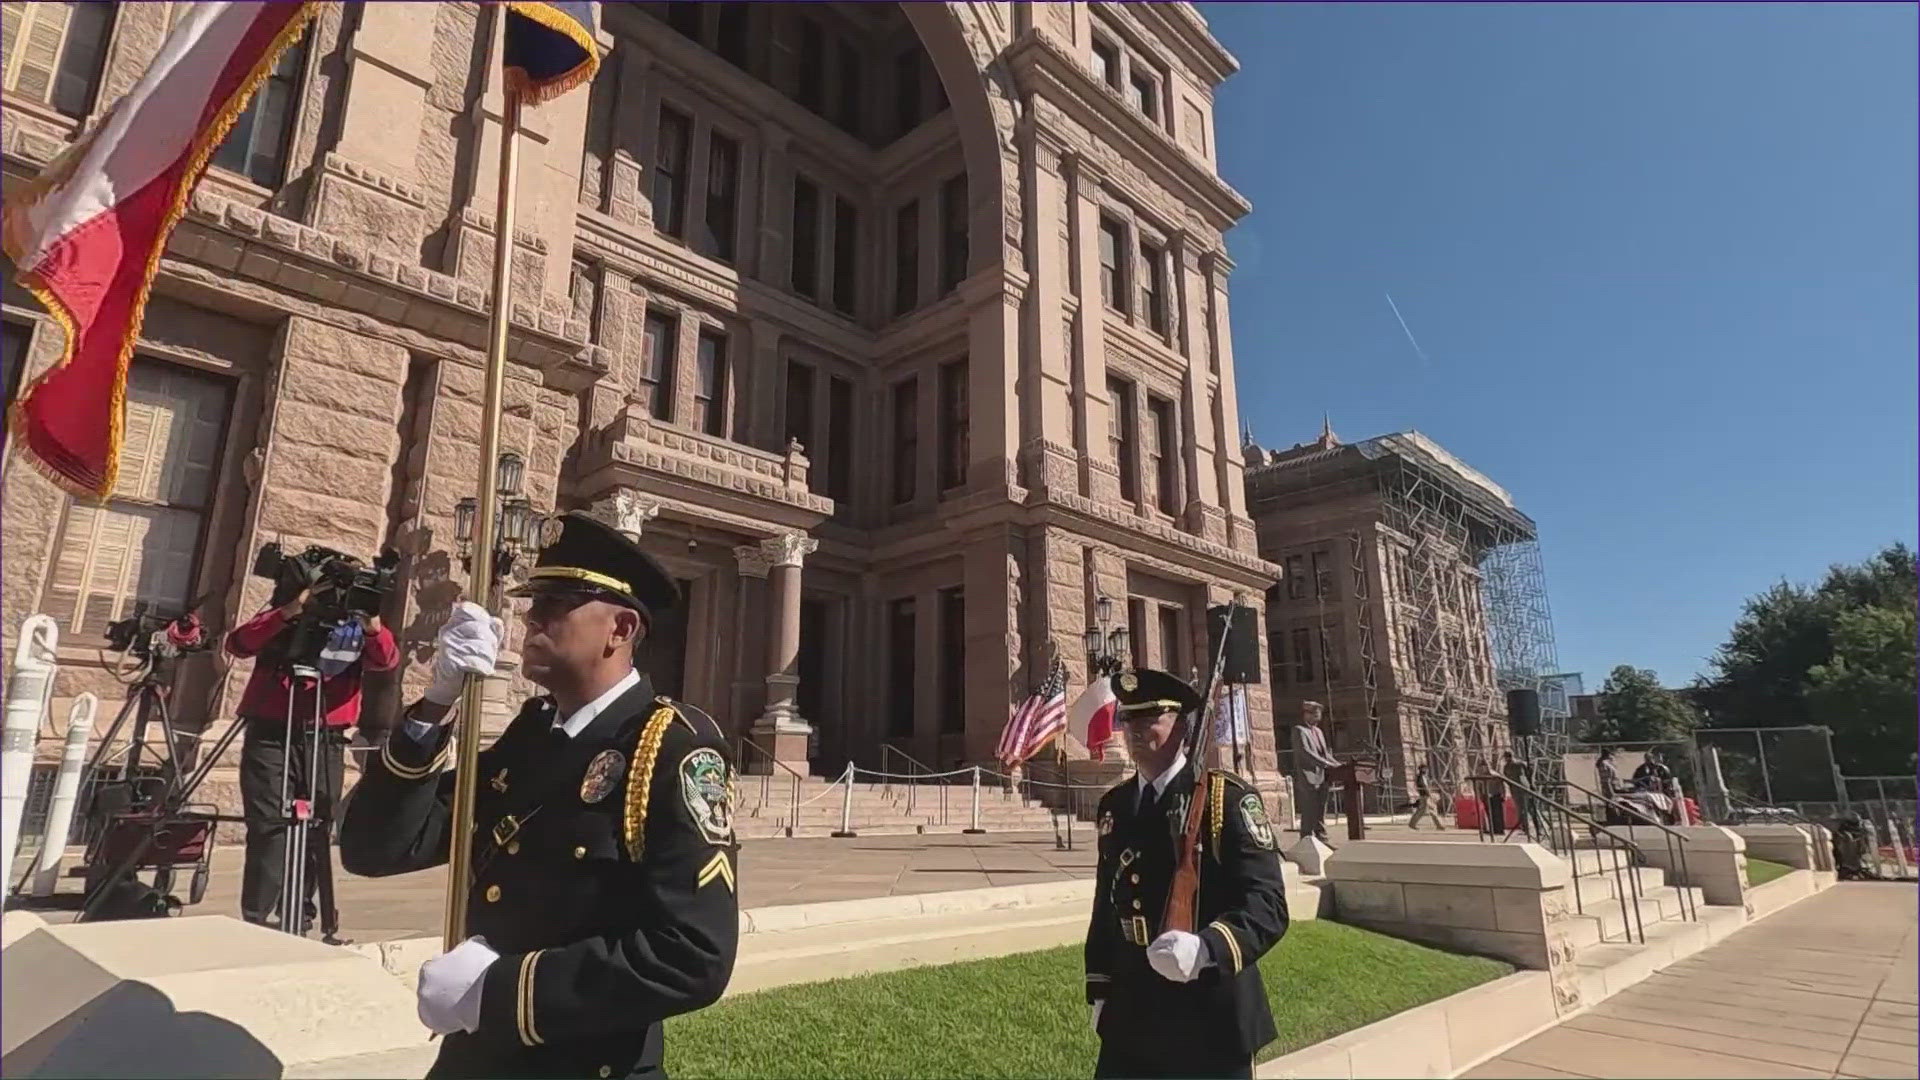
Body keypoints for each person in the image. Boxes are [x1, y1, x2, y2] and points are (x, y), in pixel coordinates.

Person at [338, 512, 739, 1079]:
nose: (530, 618)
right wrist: (435, 706)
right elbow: (378, 848)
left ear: (619, 630)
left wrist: (496, 994)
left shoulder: (670, 748)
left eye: (556, 605)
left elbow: (692, 956)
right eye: (533, 603)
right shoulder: (533, 734)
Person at [1085, 668, 1290, 1080]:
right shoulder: (1116, 804)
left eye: (1150, 718)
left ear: (1183, 727)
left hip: (1208, 1010)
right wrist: (1101, 987)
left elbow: (1267, 904)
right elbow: (1106, 905)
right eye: (1128, 719)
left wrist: (1208, 948)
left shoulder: (1225, 800)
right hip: (1133, 1009)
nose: (1135, 730)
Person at [226, 575, 399, 943]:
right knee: (271, 825)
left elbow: (386, 660)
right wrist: (290, 611)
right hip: (272, 730)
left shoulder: (357, 627)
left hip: (326, 734)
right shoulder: (284, 616)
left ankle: (302, 916)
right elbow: (238, 644)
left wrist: (371, 623)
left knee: (319, 825)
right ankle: (257, 921)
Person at [1289, 701, 1339, 841]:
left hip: (1323, 777)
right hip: (1308, 777)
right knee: (1309, 810)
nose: (1318, 718)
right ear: (1306, 714)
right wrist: (1327, 764)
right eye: (1315, 715)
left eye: (1319, 715)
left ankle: (1322, 838)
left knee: (1321, 810)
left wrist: (1338, 765)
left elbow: (1325, 754)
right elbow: (1306, 752)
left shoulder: (1319, 732)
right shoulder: (1299, 730)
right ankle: (1307, 838)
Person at [1502, 751, 1547, 838]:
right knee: (1520, 811)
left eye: (1508, 757)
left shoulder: (1520, 764)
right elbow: (1507, 779)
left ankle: (1539, 829)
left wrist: (1531, 784)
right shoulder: (1506, 767)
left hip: (1525, 788)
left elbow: (1529, 774)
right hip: (1515, 790)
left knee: (1531, 809)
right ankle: (1525, 829)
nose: (1507, 759)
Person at [1407, 763, 1441, 830]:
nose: (1426, 770)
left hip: (1425, 795)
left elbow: (1426, 786)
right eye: (1425, 768)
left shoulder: (1424, 777)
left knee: (1421, 811)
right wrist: (1429, 794)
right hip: (1425, 796)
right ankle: (1439, 825)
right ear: (1422, 769)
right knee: (1432, 810)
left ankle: (1412, 823)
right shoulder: (1420, 777)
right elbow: (1423, 786)